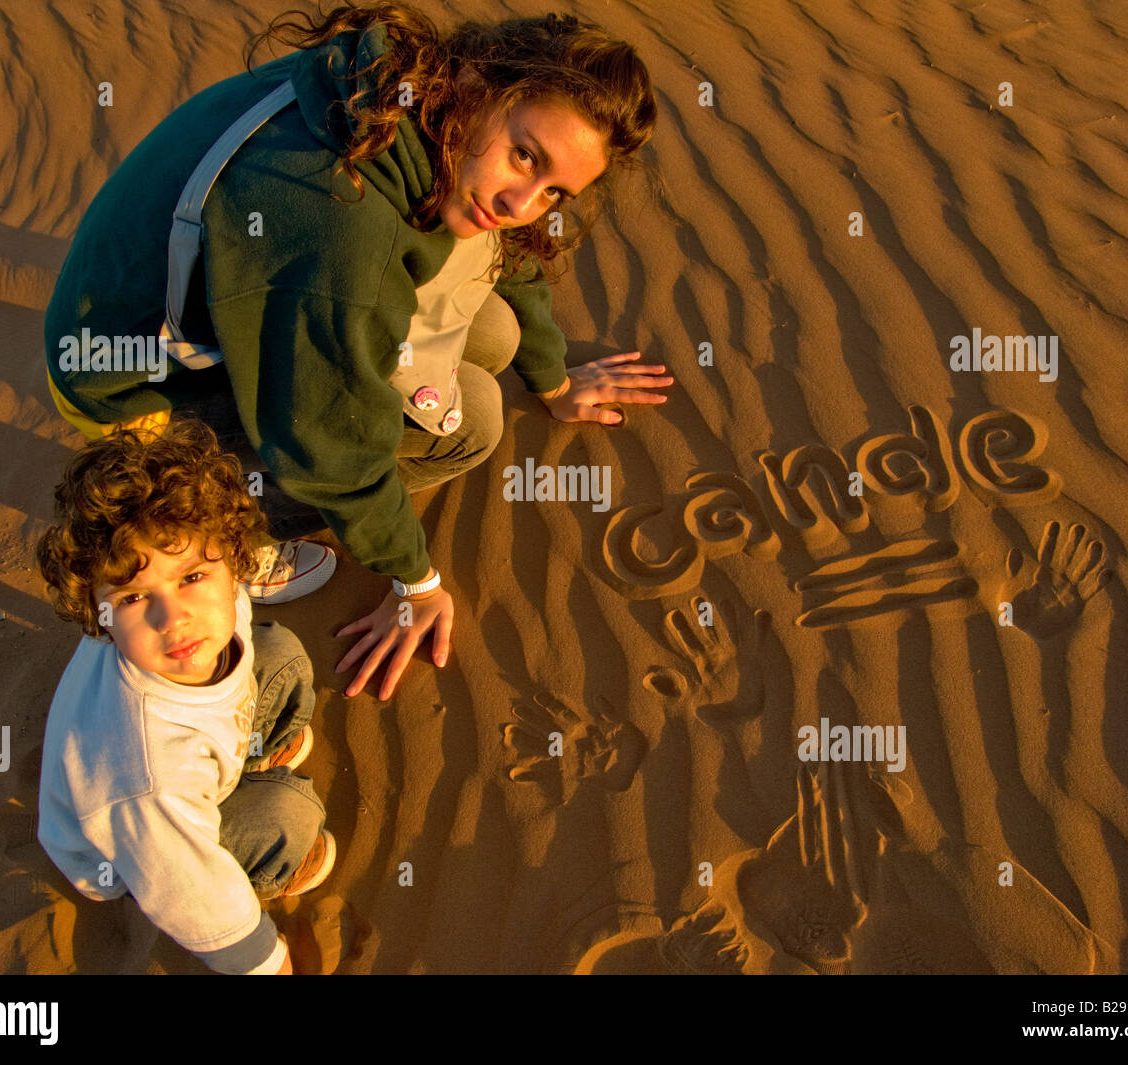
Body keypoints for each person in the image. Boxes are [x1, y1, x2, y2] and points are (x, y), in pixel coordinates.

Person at [42, 3, 670, 700]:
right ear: (474, 83)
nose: (524, 201)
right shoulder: (339, 229)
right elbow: (330, 443)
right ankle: (231, 531)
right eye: (526, 155)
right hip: (132, 390)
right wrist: (416, 582)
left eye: (554, 189)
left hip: (183, 300)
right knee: (475, 421)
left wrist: (552, 381)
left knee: (492, 331)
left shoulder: (394, 91)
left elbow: (508, 252)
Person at [35, 419, 332, 975]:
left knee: (282, 656)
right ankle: (272, 859)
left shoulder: (214, 610)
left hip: (193, 756)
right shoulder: (144, 775)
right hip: (131, 850)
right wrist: (263, 962)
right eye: (132, 597)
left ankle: (254, 756)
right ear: (99, 614)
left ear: (234, 560)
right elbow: (189, 894)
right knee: (290, 816)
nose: (173, 617)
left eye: (192, 576)